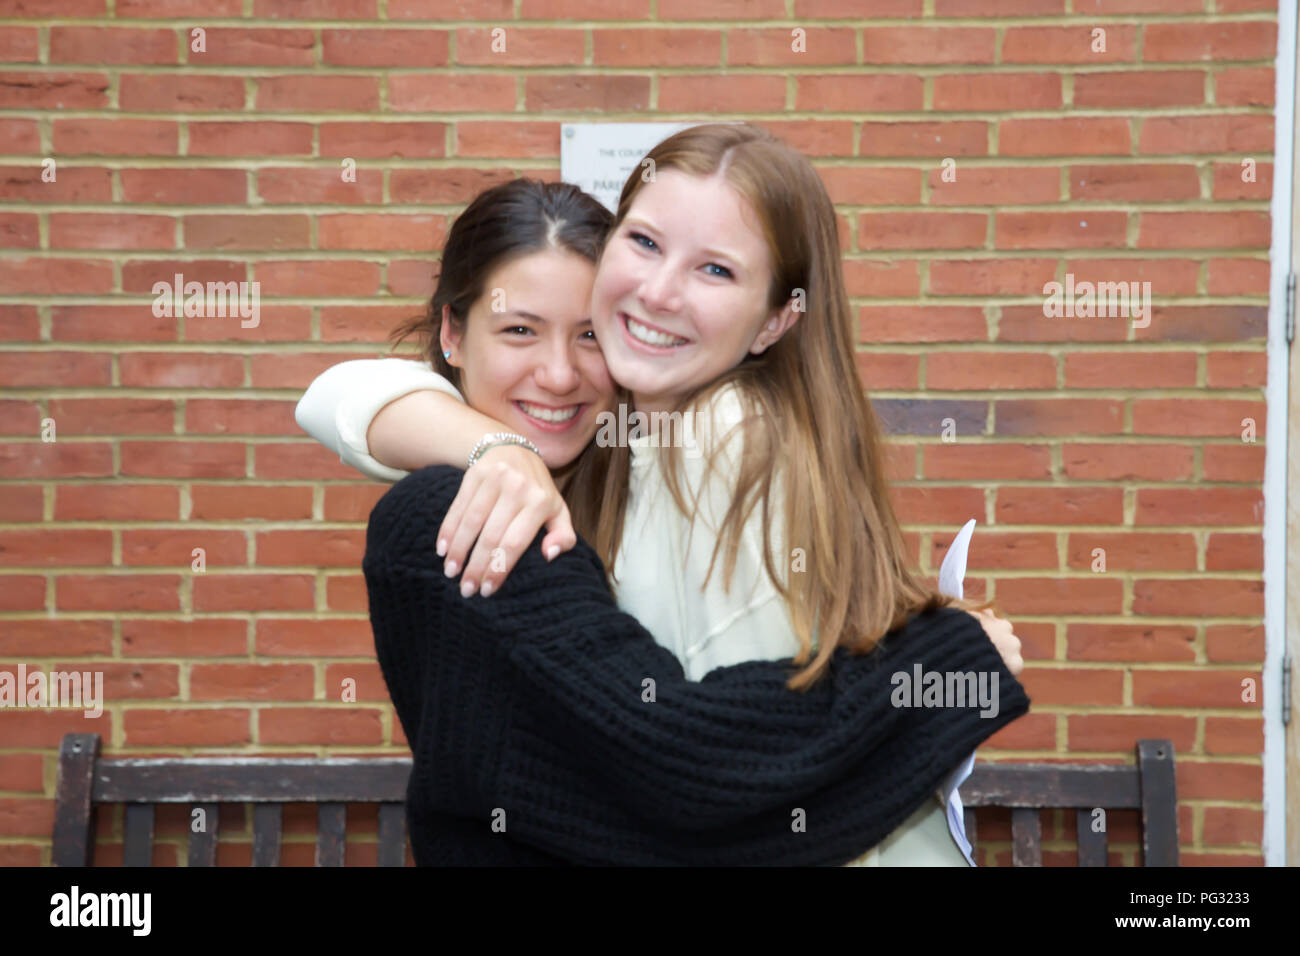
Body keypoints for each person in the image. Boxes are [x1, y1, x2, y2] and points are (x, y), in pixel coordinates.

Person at [298, 164, 1027, 865]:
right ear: (452, 335)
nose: (558, 374)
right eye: (519, 330)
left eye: (588, 334)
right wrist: (950, 658)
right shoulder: (458, 514)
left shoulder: (623, 474)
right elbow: (690, 765)